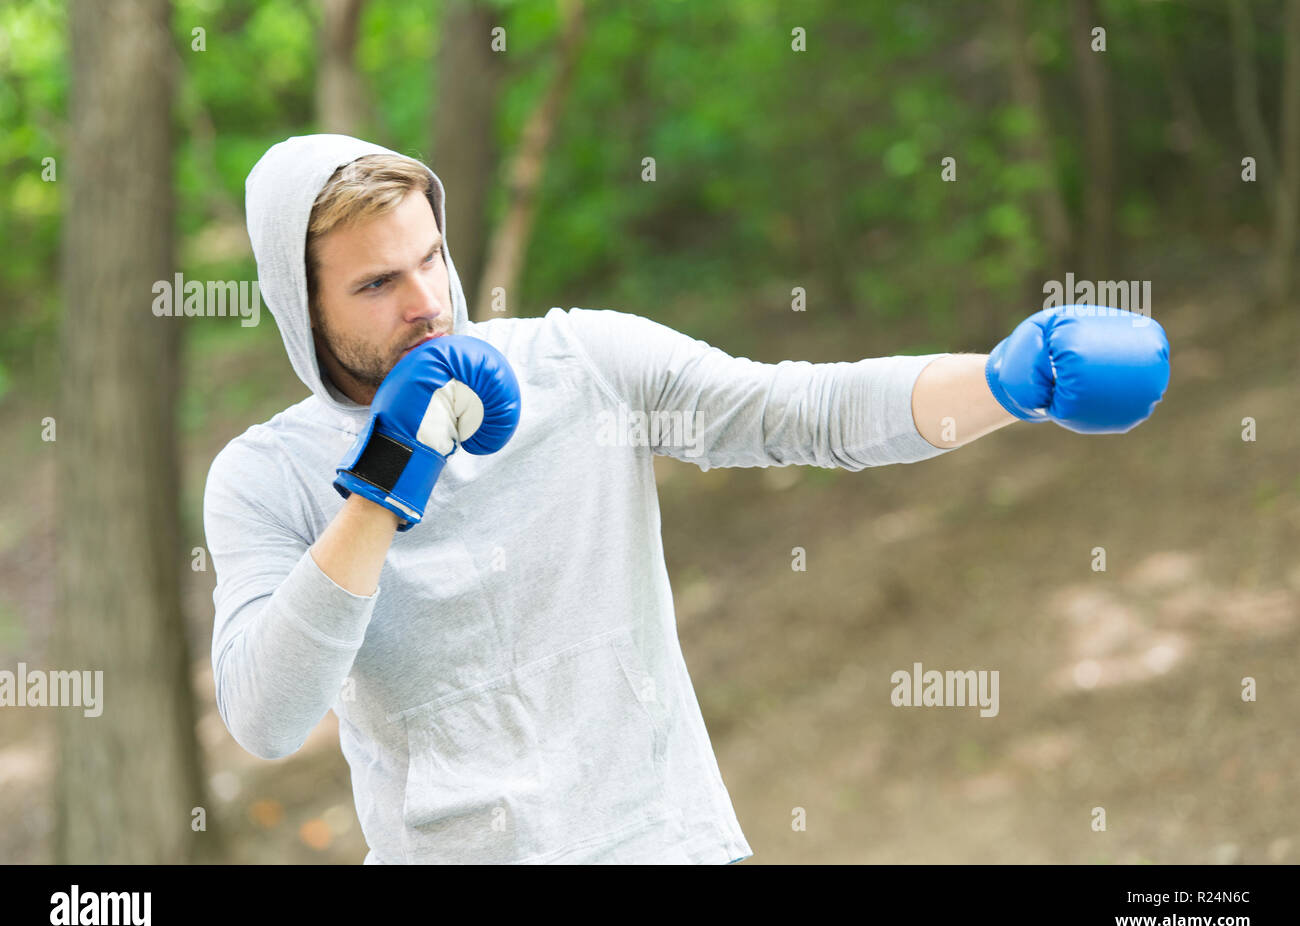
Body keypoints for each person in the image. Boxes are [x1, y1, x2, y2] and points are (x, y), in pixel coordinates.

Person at [205, 133, 1170, 865]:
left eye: (429, 257)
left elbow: (804, 410)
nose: (425, 300)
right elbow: (266, 715)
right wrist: (383, 478)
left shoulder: (581, 364)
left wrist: (1006, 383)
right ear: (305, 306)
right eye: (377, 282)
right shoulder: (265, 476)